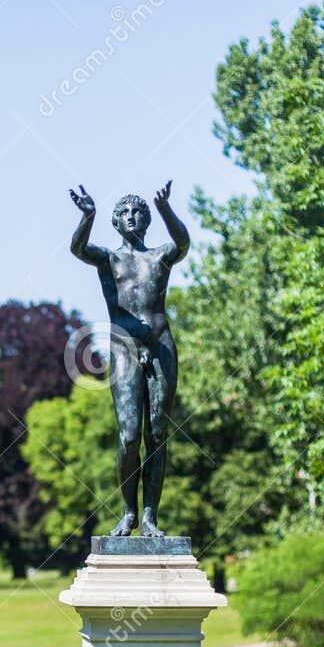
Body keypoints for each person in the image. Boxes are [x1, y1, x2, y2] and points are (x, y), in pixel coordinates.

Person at [67, 180, 191, 538]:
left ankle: (150, 516)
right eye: (124, 213)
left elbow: (183, 244)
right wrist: (88, 215)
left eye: (138, 212)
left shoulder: (160, 256)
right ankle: (128, 512)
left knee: (157, 434)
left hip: (161, 346)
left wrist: (166, 208)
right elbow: (77, 249)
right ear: (117, 222)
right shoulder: (110, 259)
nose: (132, 216)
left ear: (147, 220)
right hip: (124, 349)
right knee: (129, 436)